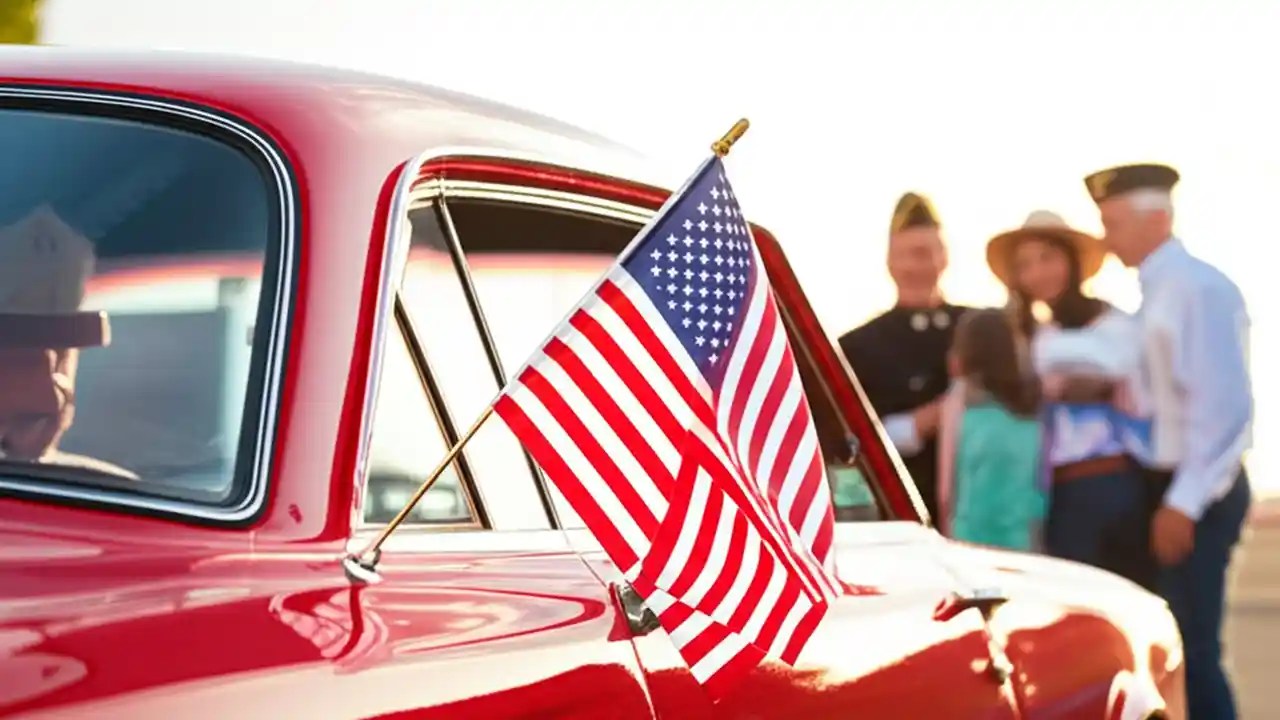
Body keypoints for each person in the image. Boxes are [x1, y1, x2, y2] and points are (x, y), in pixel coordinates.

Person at [1085, 162, 1253, 720]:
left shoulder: (1197, 288)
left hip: (1194, 492)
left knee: (1194, 651)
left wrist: (1181, 504)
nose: (1107, 240)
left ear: (1156, 216)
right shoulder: (1159, 290)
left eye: (1114, 223)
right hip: (1169, 486)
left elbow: (1224, 411)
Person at [984, 210, 1154, 587]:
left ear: (1071, 261)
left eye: (1048, 258)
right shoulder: (1032, 336)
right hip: (1059, 490)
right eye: (1025, 265)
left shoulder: (1114, 323)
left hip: (1117, 479)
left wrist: (1071, 386)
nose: (1038, 273)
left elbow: (1123, 375)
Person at [837, 192, 972, 521]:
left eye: (927, 253)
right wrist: (924, 421)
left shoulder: (977, 328)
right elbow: (849, 445)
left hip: (978, 506)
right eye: (908, 254)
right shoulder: (858, 346)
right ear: (889, 262)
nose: (917, 266)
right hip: (900, 515)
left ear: (945, 258)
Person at [934, 308, 1044, 551]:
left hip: (971, 535)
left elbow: (946, 491)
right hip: (1023, 534)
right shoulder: (1030, 403)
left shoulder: (959, 398)